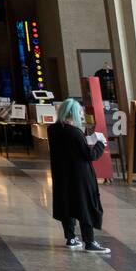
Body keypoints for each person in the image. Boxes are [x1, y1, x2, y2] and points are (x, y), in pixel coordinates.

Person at [47, 98, 110, 254]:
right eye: (80, 112)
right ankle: (90, 241)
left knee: (67, 204)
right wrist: (100, 143)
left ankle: (71, 238)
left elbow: (70, 147)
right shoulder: (75, 132)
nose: (81, 115)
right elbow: (89, 155)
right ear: (73, 113)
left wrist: (85, 140)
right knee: (85, 205)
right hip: (80, 176)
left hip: (62, 174)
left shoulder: (53, 129)